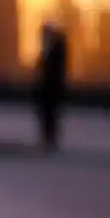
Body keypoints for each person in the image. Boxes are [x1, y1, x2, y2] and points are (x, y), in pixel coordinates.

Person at [36, 16, 69, 150]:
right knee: (48, 114)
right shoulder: (50, 47)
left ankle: (50, 139)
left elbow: (54, 69)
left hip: (52, 87)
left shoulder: (55, 47)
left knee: (51, 114)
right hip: (48, 87)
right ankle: (48, 138)